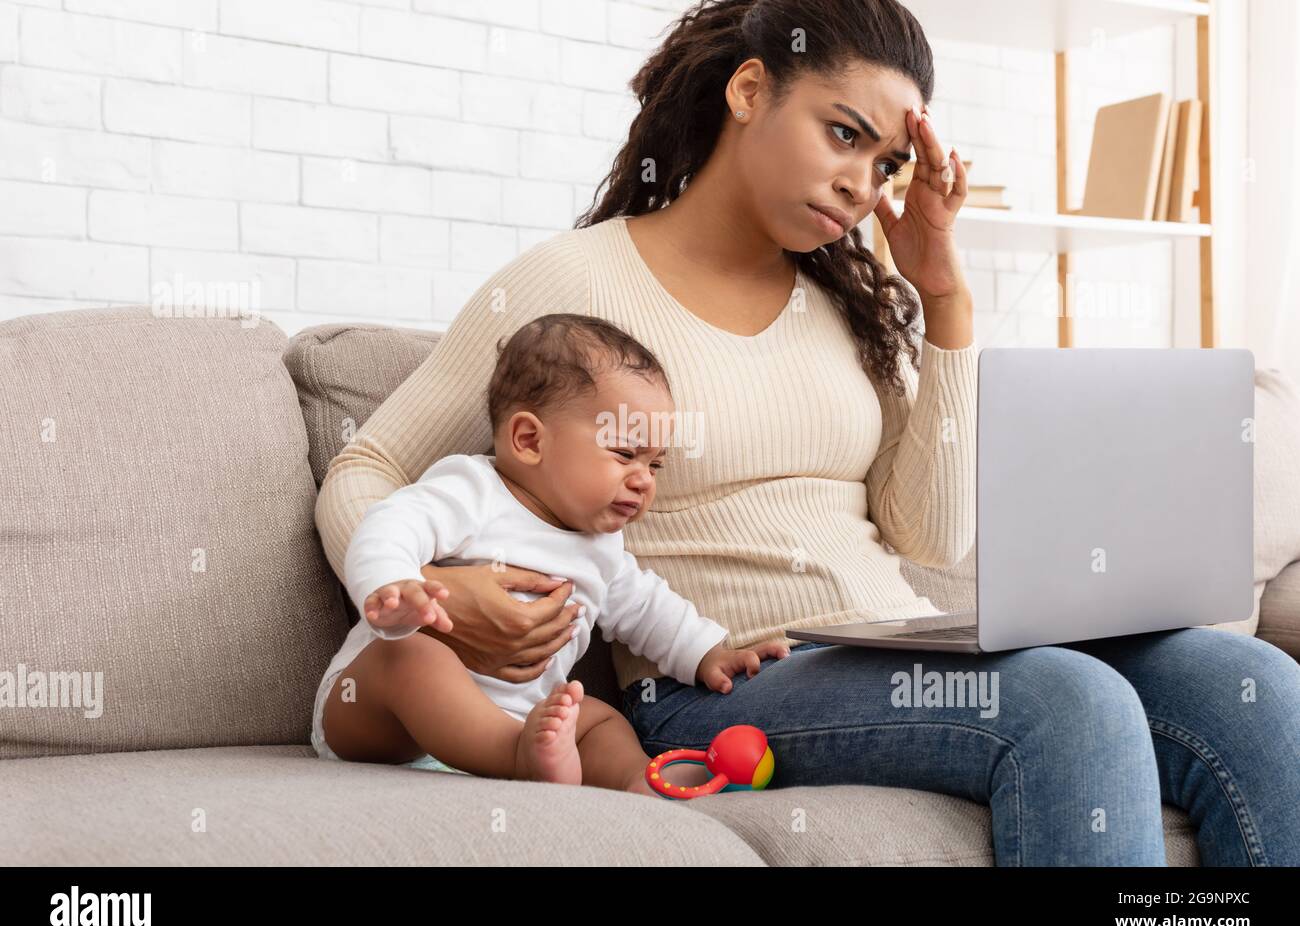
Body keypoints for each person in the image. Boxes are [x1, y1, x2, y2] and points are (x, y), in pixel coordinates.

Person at [315, 0, 1300, 864]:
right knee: (1067, 703)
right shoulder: (567, 285)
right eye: (842, 135)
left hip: (889, 637)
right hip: (715, 682)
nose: (862, 185)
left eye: (885, 165)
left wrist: (942, 296)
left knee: (1253, 680)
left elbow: (931, 535)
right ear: (750, 90)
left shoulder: (851, 305)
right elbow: (369, 463)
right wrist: (438, 591)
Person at [313, 314, 788, 794]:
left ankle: (633, 780)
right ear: (529, 440)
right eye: (625, 454)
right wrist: (394, 583)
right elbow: (392, 522)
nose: (645, 479)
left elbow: (646, 608)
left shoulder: (602, 546)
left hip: (523, 720)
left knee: (596, 717)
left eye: (655, 464)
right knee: (411, 656)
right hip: (376, 719)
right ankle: (513, 757)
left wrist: (708, 652)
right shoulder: (474, 490)